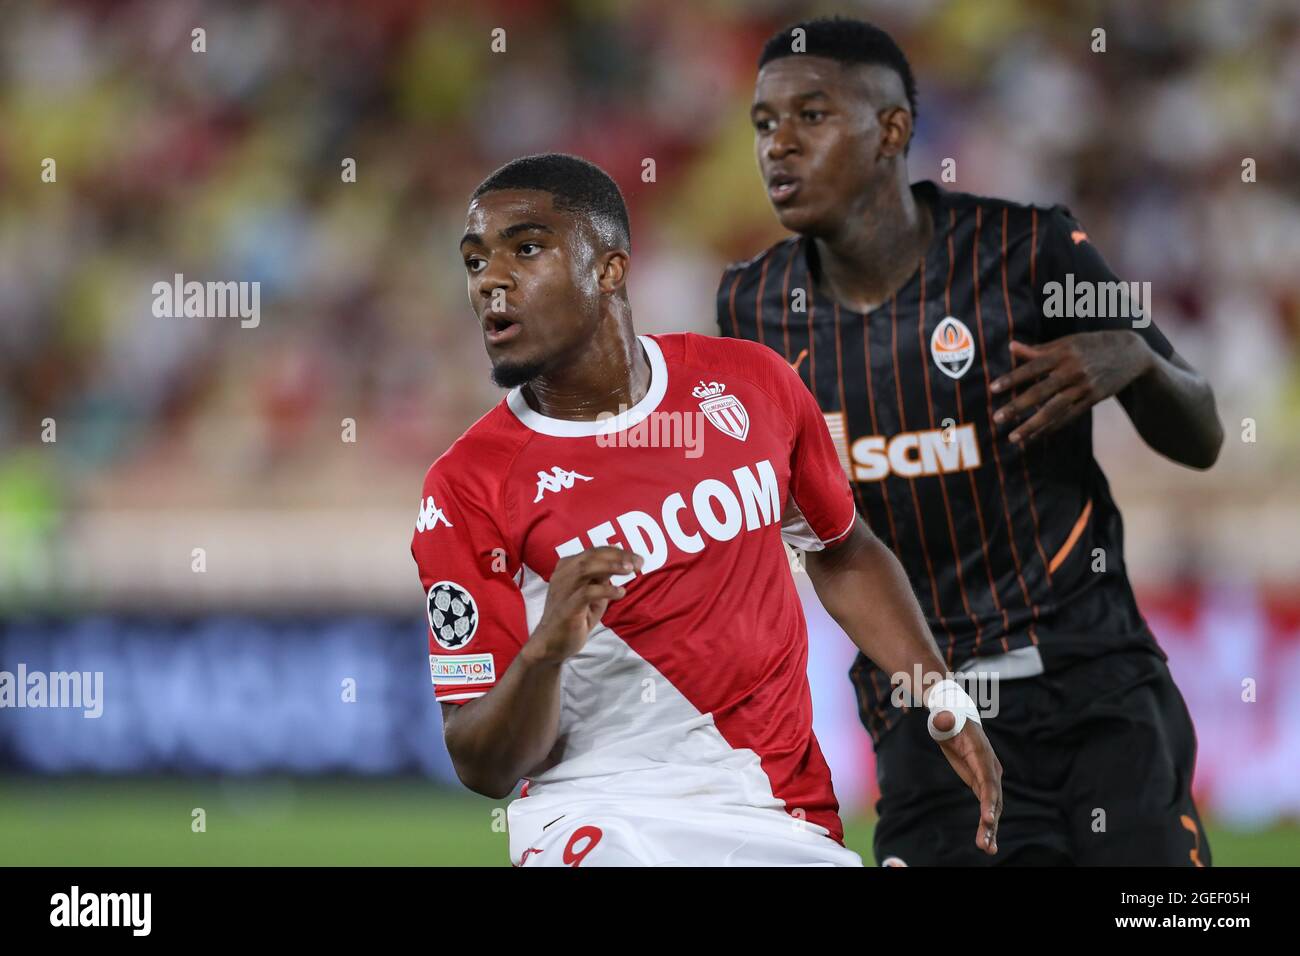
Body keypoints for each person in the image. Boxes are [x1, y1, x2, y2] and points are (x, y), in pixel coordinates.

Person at [718, 17, 1224, 866]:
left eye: (811, 116)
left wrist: (1133, 356)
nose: (779, 146)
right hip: (930, 712)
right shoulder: (753, 310)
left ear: (892, 130)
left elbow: (1201, 435)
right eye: (765, 124)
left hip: (1098, 689)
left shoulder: (1030, 253)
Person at [411, 152, 1002, 866]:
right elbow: (483, 764)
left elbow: (841, 547)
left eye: (526, 249)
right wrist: (544, 654)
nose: (490, 282)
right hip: (600, 816)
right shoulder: (467, 486)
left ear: (610, 270)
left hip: (778, 817)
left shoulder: (752, 385)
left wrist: (938, 690)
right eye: (475, 262)